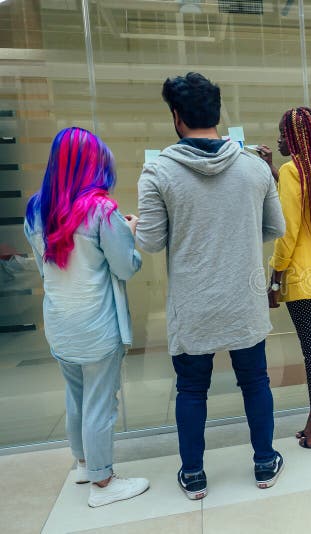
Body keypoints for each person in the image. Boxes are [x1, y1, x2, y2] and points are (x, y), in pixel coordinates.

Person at [136, 72, 286, 499]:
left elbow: (150, 241)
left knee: (191, 389)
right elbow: (276, 227)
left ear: (176, 116)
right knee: (255, 382)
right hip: (243, 300)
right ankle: (264, 463)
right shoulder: (254, 167)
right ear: (217, 114)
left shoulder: (158, 172)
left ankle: (194, 475)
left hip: (193, 305)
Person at [24, 127, 149, 507]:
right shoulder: (101, 210)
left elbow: (44, 266)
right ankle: (103, 483)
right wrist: (128, 232)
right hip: (96, 325)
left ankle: (83, 464)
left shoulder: (36, 208)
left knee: (77, 396)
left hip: (60, 323)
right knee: (100, 404)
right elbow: (125, 267)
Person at [257, 107, 311, 449]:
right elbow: (303, 203)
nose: (279, 139)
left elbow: (287, 231)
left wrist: (275, 277)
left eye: (283, 134)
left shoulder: (295, 171)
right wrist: (273, 170)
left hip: (301, 276)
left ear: (296, 137)